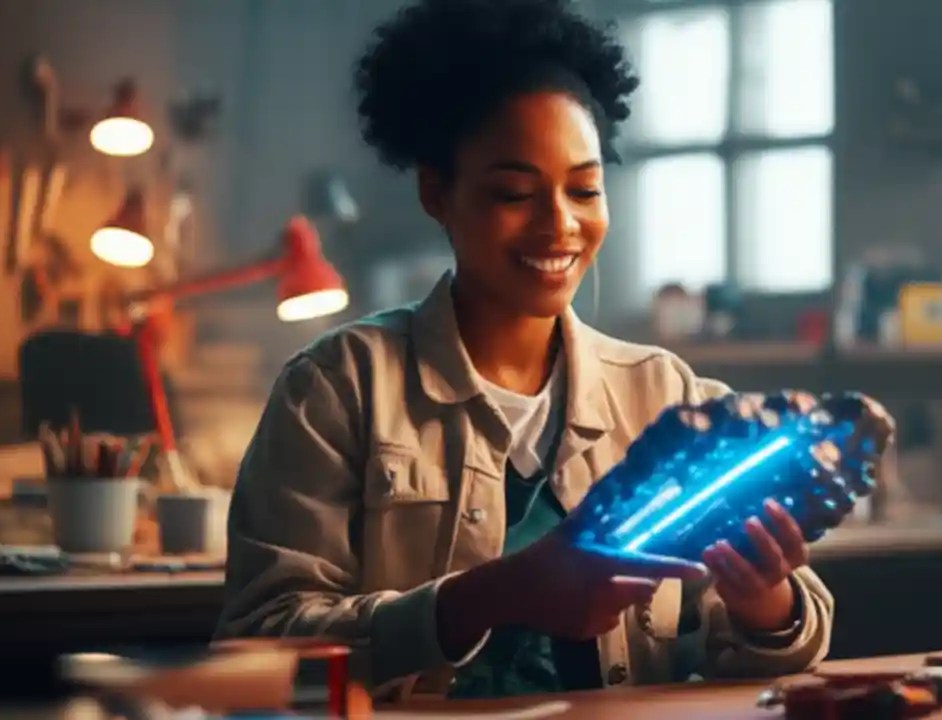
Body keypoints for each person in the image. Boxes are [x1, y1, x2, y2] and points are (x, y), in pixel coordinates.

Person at [215, 0, 834, 701]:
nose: (559, 226)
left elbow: (779, 654)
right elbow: (261, 645)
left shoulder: (669, 398)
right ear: (436, 193)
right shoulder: (338, 389)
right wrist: (489, 596)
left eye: (585, 189)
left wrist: (766, 604)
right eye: (515, 192)